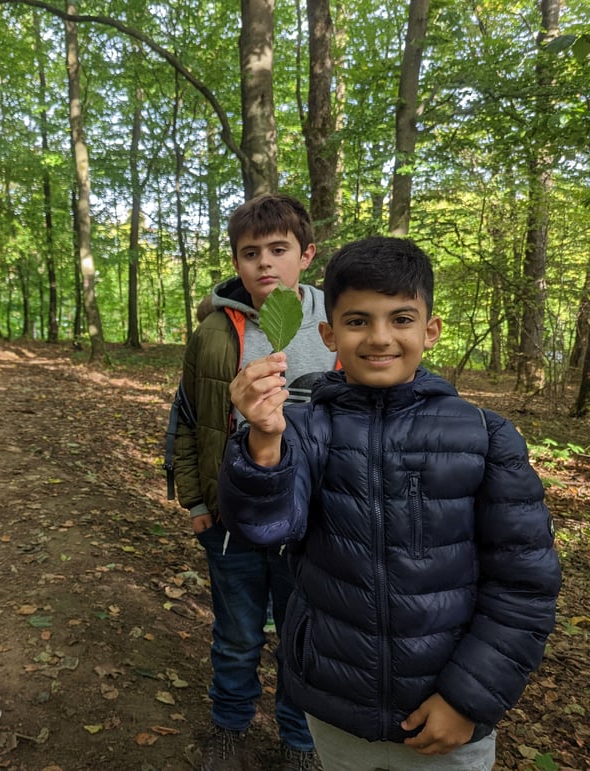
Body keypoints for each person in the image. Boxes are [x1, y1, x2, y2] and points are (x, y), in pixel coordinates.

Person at [217, 236, 562, 770]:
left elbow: (525, 583)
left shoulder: (485, 436)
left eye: (400, 319)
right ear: (329, 334)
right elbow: (266, 529)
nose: (380, 338)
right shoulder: (303, 429)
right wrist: (262, 441)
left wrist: (468, 698)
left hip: (445, 720)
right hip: (336, 708)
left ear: (430, 329)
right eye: (357, 321)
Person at [172, 194, 331, 771]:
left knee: (300, 635)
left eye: (279, 250)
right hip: (231, 520)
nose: (265, 263)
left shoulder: (336, 324)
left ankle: (297, 737)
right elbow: (187, 419)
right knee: (237, 635)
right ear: (237, 262)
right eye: (250, 253)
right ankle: (229, 724)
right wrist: (194, 498)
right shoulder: (215, 331)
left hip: (312, 524)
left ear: (306, 255)